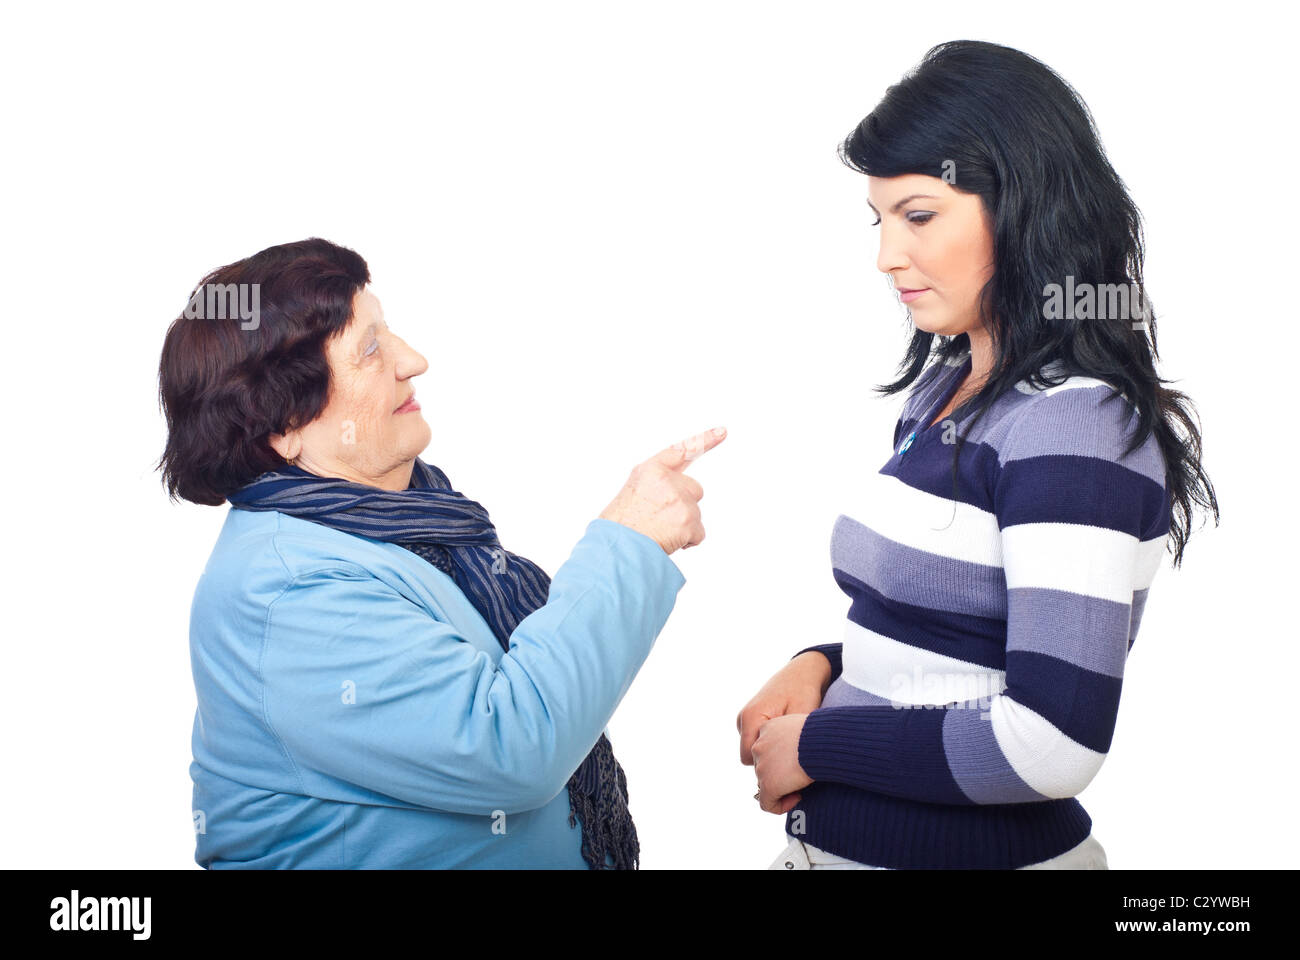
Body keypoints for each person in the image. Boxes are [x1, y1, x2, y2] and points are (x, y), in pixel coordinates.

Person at [737, 40, 1219, 869]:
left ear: (1024, 206)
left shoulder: (1076, 429)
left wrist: (820, 746)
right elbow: (958, 647)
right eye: (880, 221)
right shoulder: (951, 389)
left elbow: (1054, 741)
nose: (887, 256)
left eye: (918, 216)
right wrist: (822, 664)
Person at [158, 237, 725, 868]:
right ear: (283, 426)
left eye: (389, 332)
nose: (413, 360)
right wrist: (630, 543)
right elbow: (510, 748)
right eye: (370, 349)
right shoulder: (288, 590)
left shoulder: (408, 523)